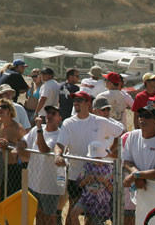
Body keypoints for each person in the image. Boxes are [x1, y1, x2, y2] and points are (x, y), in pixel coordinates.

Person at [54, 91, 125, 225]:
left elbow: (121, 133)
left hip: (97, 176)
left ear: (88, 104)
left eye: (79, 100)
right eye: (74, 100)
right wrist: (58, 155)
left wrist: (110, 151)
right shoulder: (68, 123)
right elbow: (60, 144)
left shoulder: (101, 121)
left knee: (92, 217)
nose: (75, 103)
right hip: (76, 175)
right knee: (73, 210)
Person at [121, 107, 155, 225]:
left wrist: (137, 175)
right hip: (137, 192)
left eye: (147, 117)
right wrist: (137, 175)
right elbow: (127, 161)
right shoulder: (133, 136)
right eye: (140, 116)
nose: (142, 119)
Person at [27, 105, 68, 225]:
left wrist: (39, 128)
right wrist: (18, 147)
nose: (48, 115)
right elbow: (24, 140)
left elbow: (43, 149)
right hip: (34, 183)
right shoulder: (36, 130)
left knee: (50, 218)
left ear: (59, 118)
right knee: (38, 214)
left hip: (50, 186)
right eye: (47, 113)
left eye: (53, 113)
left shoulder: (60, 135)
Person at [0, 98, 30, 199]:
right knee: (3, 196)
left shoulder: (17, 128)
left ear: (10, 110)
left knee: (16, 198)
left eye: (4, 107)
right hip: (7, 166)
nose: (0, 109)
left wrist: (10, 145)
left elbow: (28, 149)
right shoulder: (0, 123)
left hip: (19, 167)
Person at [71, 140, 113, 225]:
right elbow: (79, 184)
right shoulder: (87, 166)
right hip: (86, 198)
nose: (94, 159)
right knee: (73, 213)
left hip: (101, 202)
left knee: (93, 222)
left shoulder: (109, 168)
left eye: (96, 157)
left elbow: (113, 189)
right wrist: (87, 179)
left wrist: (105, 181)